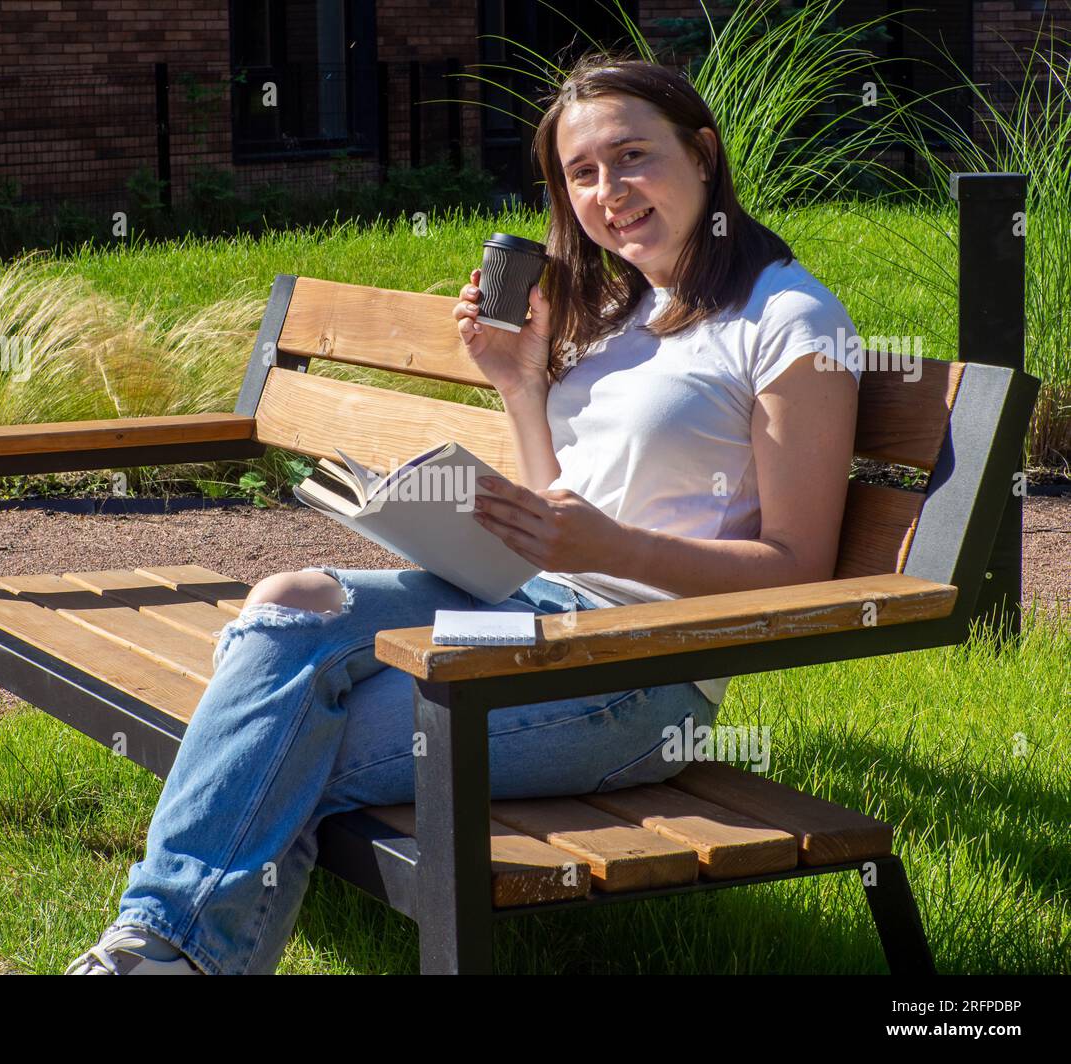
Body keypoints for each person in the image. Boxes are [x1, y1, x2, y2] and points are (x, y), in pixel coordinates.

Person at [66, 51, 863, 976]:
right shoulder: (621, 313)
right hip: (532, 604)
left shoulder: (791, 321)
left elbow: (800, 568)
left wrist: (610, 544)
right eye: (583, 174)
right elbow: (557, 504)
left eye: (633, 157)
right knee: (288, 603)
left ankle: (165, 953)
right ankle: (170, 948)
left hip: (642, 670)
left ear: (703, 153)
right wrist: (521, 386)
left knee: (280, 735)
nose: (611, 191)